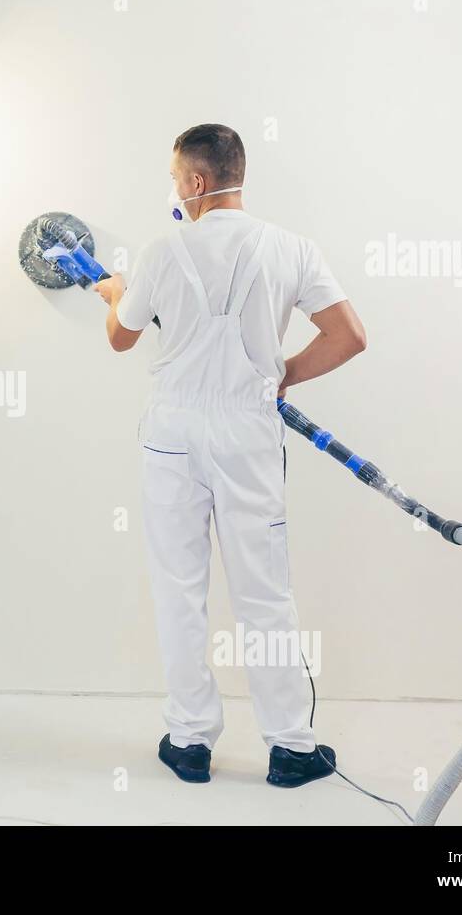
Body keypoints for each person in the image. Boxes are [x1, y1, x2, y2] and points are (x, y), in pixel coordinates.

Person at [95, 124, 366, 788]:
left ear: (195, 181)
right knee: (264, 591)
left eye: (175, 178)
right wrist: (283, 375)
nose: (175, 192)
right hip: (248, 433)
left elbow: (121, 340)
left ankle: (189, 742)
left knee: (178, 588)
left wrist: (111, 294)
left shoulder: (162, 251)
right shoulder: (292, 249)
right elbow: (350, 336)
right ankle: (291, 748)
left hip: (173, 434)